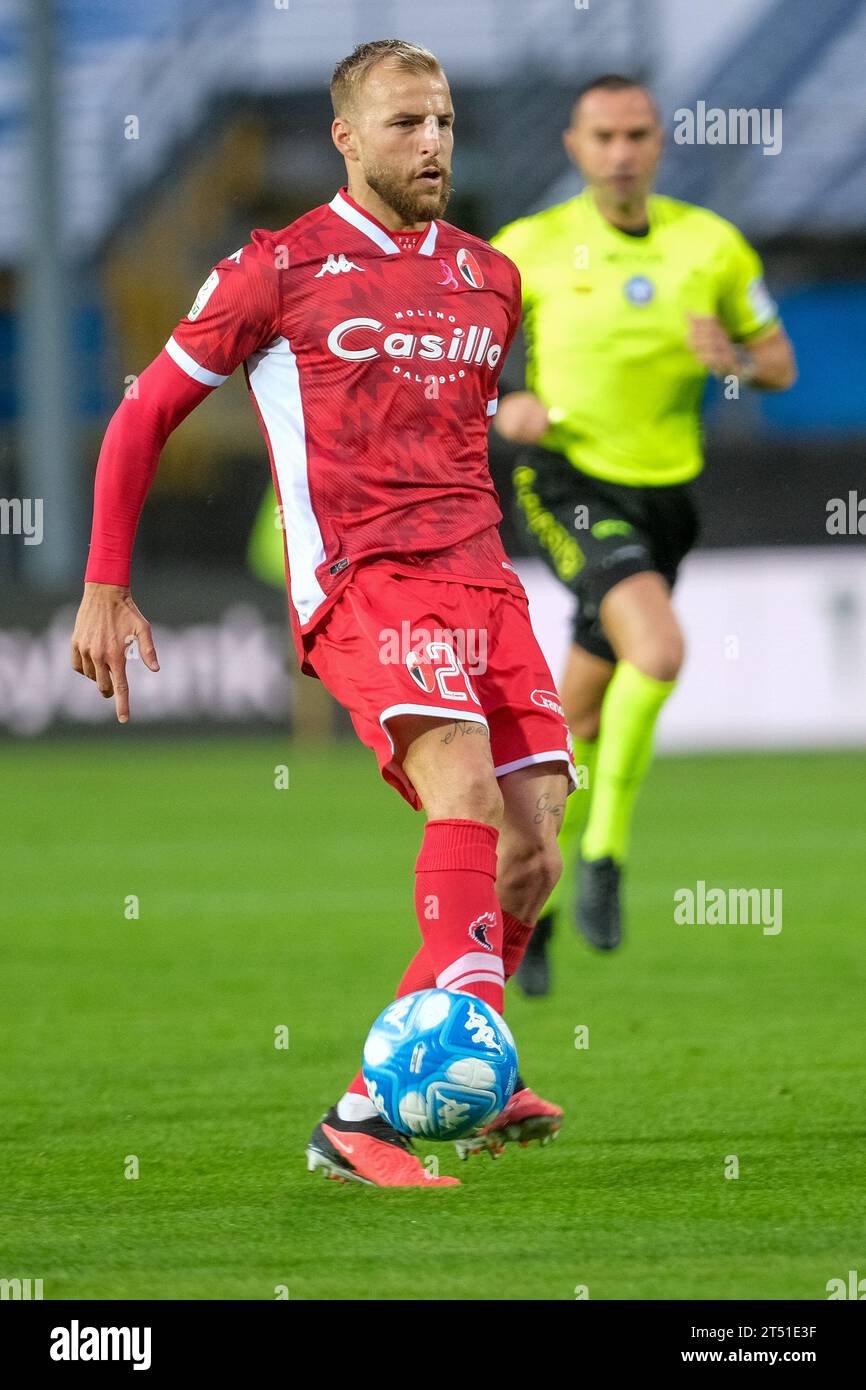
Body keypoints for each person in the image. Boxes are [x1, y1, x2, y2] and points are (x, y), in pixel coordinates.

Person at [71, 39, 574, 1188]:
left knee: (533, 844)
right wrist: (105, 581)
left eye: (442, 119)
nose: (432, 142)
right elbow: (143, 414)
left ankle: (450, 1067)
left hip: (482, 580)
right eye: (404, 123)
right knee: (458, 787)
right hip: (364, 579)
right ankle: (372, 1123)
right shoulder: (274, 270)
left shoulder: (489, 277)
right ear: (345, 138)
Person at [491, 75, 796, 992]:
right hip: (571, 481)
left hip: (669, 500)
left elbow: (778, 363)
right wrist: (510, 403)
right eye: (603, 136)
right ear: (574, 147)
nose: (621, 151)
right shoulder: (526, 248)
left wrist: (735, 361)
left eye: (637, 135)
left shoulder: (710, 244)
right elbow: (471, 363)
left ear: (657, 144)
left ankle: (521, 911)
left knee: (573, 715)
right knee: (656, 649)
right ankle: (606, 858)